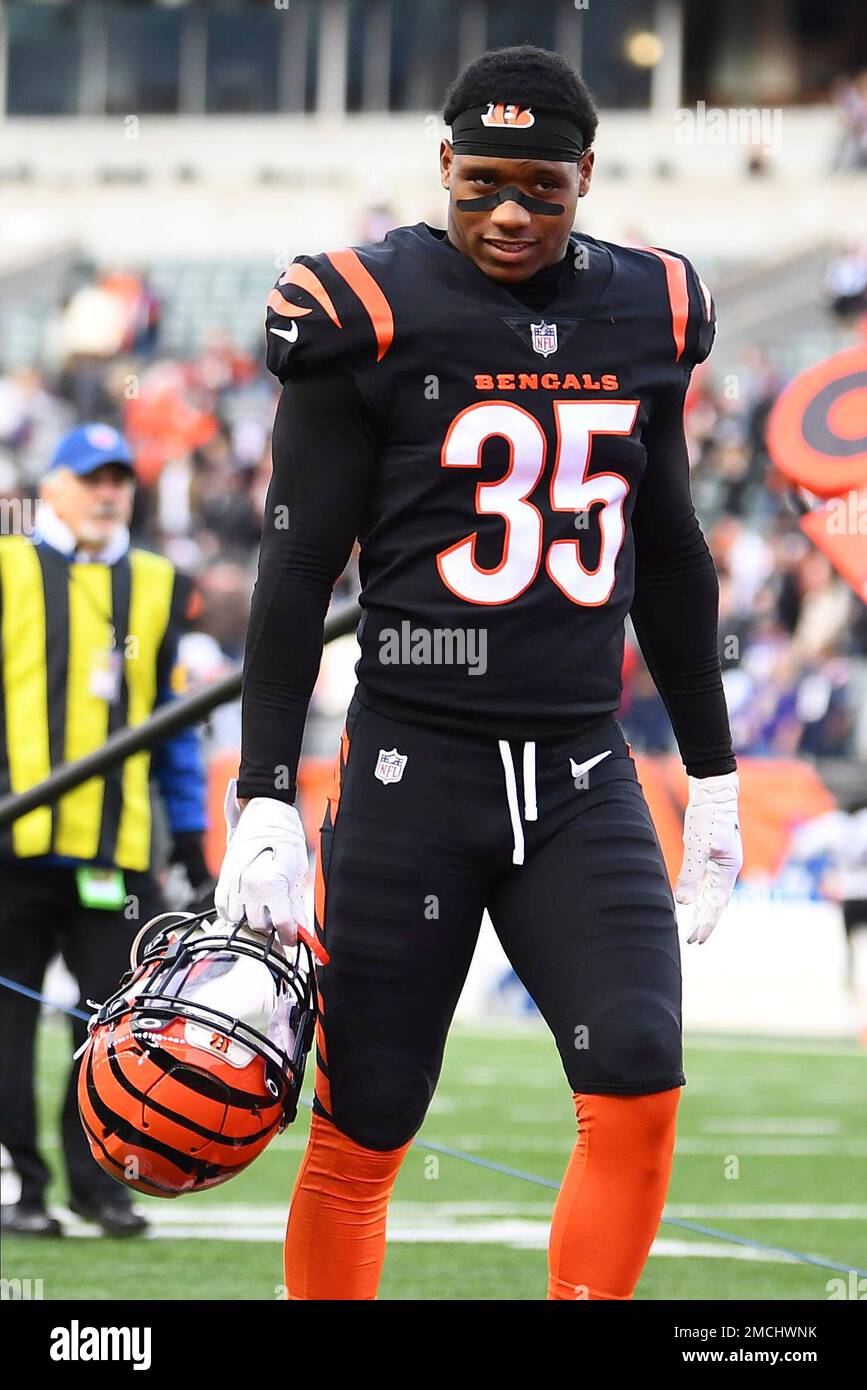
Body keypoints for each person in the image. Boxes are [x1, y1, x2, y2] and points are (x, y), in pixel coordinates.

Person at [216, 45, 743, 1300]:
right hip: (416, 771)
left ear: (587, 176)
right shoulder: (363, 305)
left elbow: (670, 555)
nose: (510, 213)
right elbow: (297, 567)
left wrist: (715, 777)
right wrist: (265, 791)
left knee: (639, 1072)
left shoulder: (653, 306)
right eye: (483, 184)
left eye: (542, 189)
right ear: (444, 163)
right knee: (367, 1117)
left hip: (581, 771)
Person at [0, 422, 209, 1237]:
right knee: (7, 1027)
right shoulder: (9, 566)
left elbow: (173, 722)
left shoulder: (155, 582)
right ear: (51, 488)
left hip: (115, 859)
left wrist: (189, 839)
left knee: (117, 1031)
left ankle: (100, 1183)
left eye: (119, 479)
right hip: (12, 852)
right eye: (91, 478)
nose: (107, 492)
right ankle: (21, 1187)